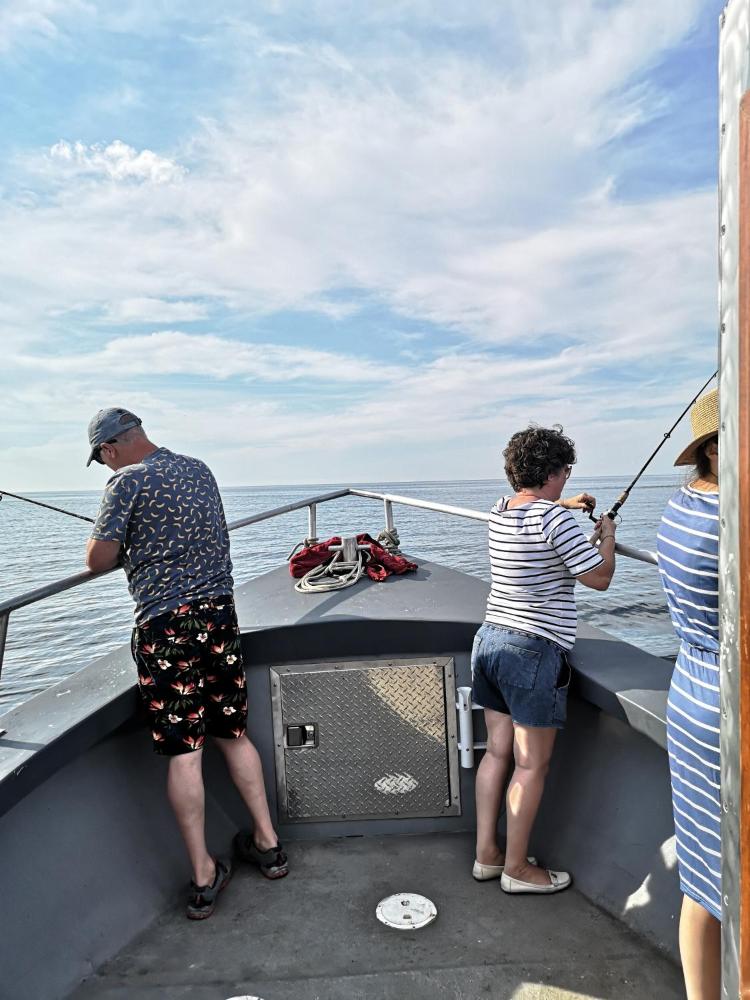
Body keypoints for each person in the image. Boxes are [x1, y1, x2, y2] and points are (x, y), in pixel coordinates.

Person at [84, 407, 288, 920]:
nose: (107, 466)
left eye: (103, 459)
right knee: (233, 735)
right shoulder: (199, 469)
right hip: (220, 617)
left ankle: (203, 875)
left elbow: (97, 560)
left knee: (186, 753)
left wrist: (121, 542)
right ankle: (268, 845)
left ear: (109, 448)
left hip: (167, 629)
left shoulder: (125, 482)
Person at [471, 424, 616, 894]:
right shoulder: (554, 522)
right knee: (530, 765)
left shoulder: (499, 511)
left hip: (490, 641)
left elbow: (532, 508)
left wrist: (566, 504)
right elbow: (599, 579)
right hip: (531, 651)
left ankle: (487, 855)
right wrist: (607, 537)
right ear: (554, 473)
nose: (568, 478)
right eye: (566, 471)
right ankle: (517, 869)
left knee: (497, 752)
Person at [656, 388, 720, 999]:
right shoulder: (732, 523)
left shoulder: (680, 507)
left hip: (690, 694)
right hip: (732, 713)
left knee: (703, 878)